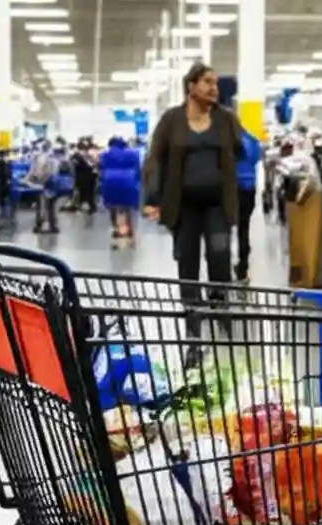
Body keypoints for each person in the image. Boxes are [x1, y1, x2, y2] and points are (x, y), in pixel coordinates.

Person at [143, 61, 244, 338]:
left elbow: (241, 150)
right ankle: (192, 320)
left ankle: (221, 311)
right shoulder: (172, 120)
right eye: (208, 82)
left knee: (220, 258)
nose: (214, 88)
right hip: (183, 206)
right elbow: (156, 159)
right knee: (187, 263)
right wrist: (152, 198)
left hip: (218, 205)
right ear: (191, 86)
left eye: (215, 83)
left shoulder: (225, 119)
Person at [100, 136, 141, 246]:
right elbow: (138, 170)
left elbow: (101, 168)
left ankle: (116, 228)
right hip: (129, 181)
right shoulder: (133, 154)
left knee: (113, 206)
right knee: (129, 208)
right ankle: (130, 230)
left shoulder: (105, 155)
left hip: (110, 181)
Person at [234, 127, 261, 283]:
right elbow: (256, 159)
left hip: (233, 187)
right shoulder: (252, 140)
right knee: (244, 227)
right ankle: (243, 264)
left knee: (223, 226)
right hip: (249, 186)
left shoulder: (230, 139)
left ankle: (222, 265)